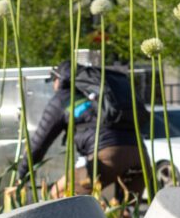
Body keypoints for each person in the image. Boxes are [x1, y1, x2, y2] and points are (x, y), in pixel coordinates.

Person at [25, 58, 148, 200]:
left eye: (53, 80)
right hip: (140, 156)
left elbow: (39, 144)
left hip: (108, 157)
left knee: (59, 196)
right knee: (122, 213)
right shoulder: (98, 95)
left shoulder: (62, 99)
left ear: (58, 79)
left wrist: (22, 176)